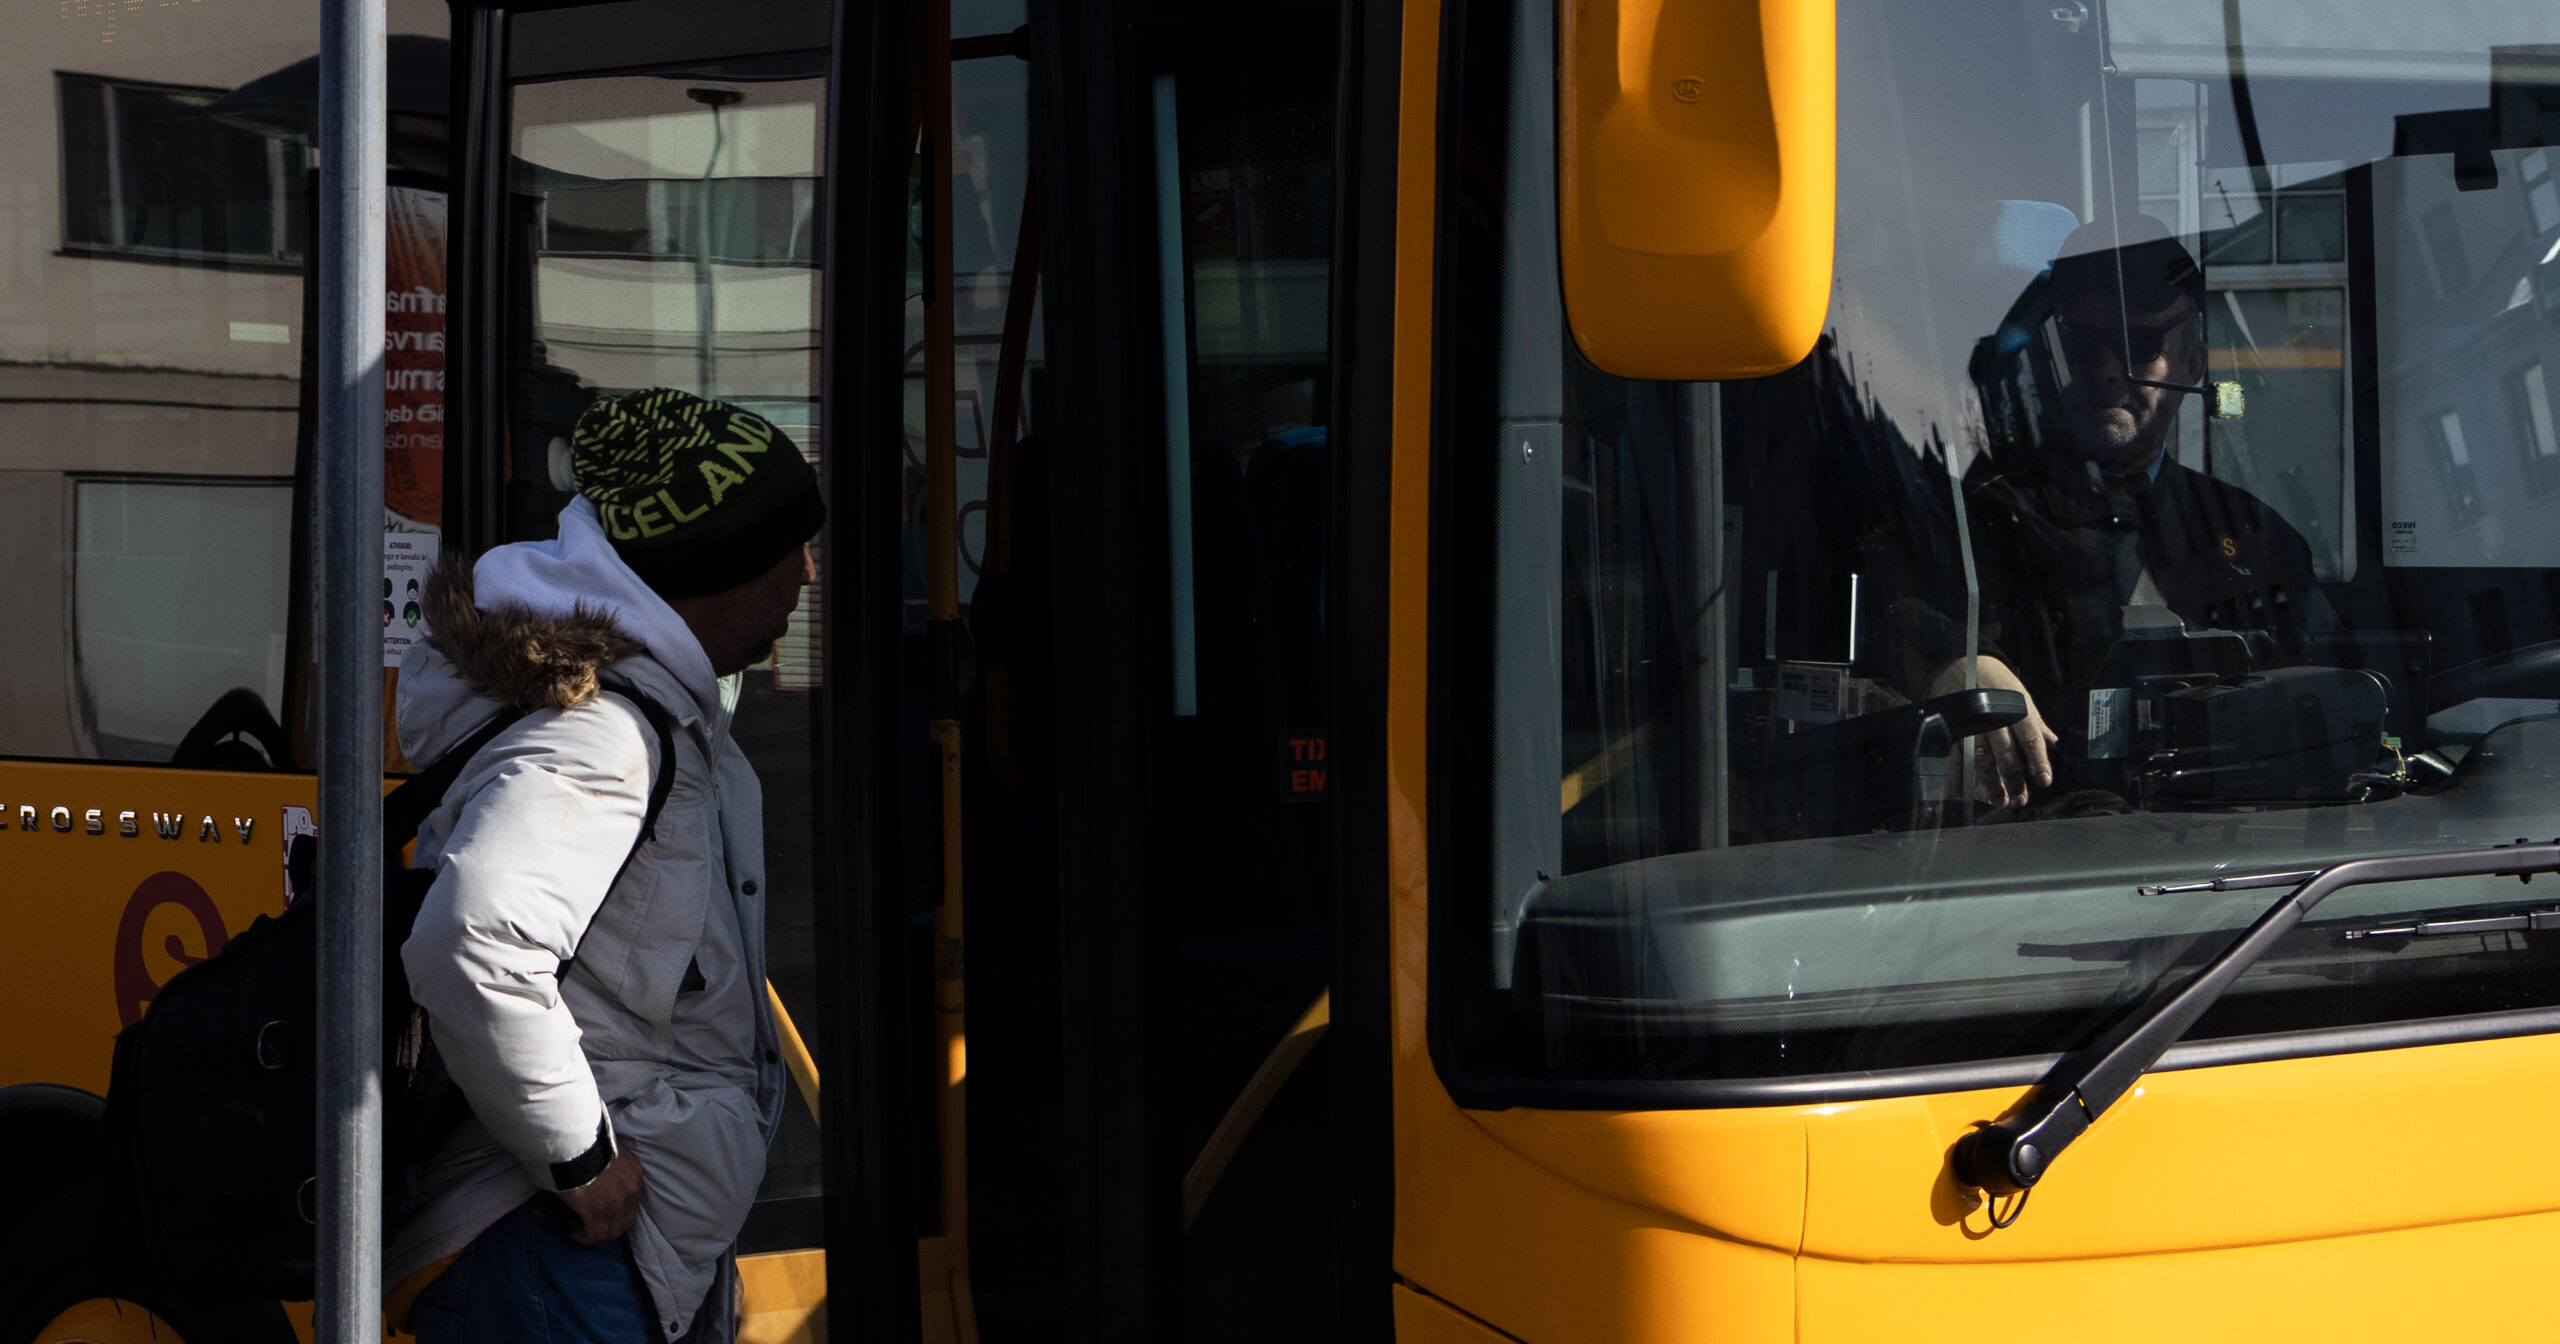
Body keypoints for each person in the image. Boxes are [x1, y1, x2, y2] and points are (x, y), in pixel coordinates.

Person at [385, 387, 823, 1343]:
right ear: (723, 566)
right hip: (556, 1255)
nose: (809, 573)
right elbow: (471, 944)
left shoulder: (643, 711)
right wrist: (581, 1161)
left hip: (597, 1250)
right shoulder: (606, 739)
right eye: (793, 545)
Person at [1939, 218, 2333, 806]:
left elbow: (2325, 703)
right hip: (2028, 856)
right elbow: (1890, 610)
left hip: (2226, 857)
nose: (2101, 369)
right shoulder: (1986, 514)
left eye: (2135, 345)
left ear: (2192, 365)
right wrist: (1953, 661)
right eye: (2081, 343)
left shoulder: (2256, 538)